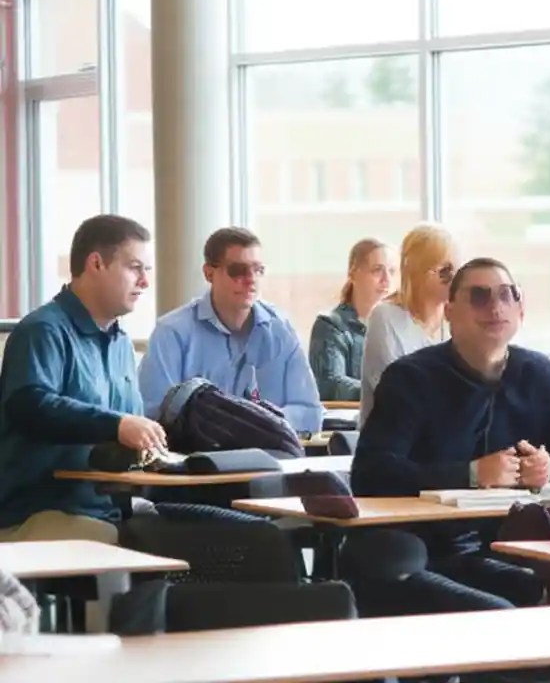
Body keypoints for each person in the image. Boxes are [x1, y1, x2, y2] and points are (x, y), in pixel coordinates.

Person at [351, 257, 550, 611]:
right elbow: (370, 473)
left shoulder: (541, 377)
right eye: (480, 296)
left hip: (509, 546)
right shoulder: (410, 379)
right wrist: (471, 474)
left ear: (521, 309)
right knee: (500, 611)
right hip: (425, 549)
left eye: (506, 295)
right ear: (450, 310)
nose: (496, 307)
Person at [0, 215, 164, 544]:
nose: (145, 282)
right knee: (128, 544)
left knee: (210, 533)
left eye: (147, 270)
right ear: (96, 263)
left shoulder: (120, 343)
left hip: (109, 506)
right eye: (135, 267)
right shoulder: (42, 330)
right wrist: (117, 424)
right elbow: (31, 405)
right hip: (39, 509)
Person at [138, 227, 323, 434]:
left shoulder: (281, 329)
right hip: (199, 460)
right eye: (238, 270)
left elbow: (310, 414)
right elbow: (153, 415)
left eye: (258, 269)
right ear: (209, 273)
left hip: (272, 457)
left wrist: (253, 422)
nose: (251, 279)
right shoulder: (172, 332)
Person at [360, 222, 457, 424]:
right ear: (418, 272)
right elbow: (395, 397)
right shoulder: (385, 318)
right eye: (445, 271)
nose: (456, 279)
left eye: (458, 270)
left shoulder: (457, 321)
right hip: (394, 443)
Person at [308, 238, 395, 401]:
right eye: (377, 270)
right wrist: (389, 391)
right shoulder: (331, 325)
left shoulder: (396, 328)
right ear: (353, 273)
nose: (387, 280)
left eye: (392, 271)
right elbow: (330, 384)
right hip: (349, 423)